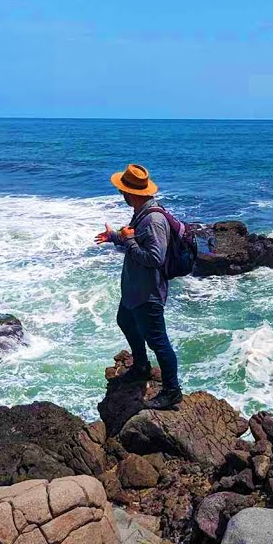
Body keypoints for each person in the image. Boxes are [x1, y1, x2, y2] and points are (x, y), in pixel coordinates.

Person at [94, 164, 183, 410]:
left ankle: (172, 391)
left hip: (147, 293)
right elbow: (136, 243)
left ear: (129, 193)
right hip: (134, 290)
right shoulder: (141, 212)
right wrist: (116, 237)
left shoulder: (153, 219)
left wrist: (129, 239)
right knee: (125, 320)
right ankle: (141, 366)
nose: (120, 195)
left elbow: (155, 258)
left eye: (121, 190)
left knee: (159, 342)